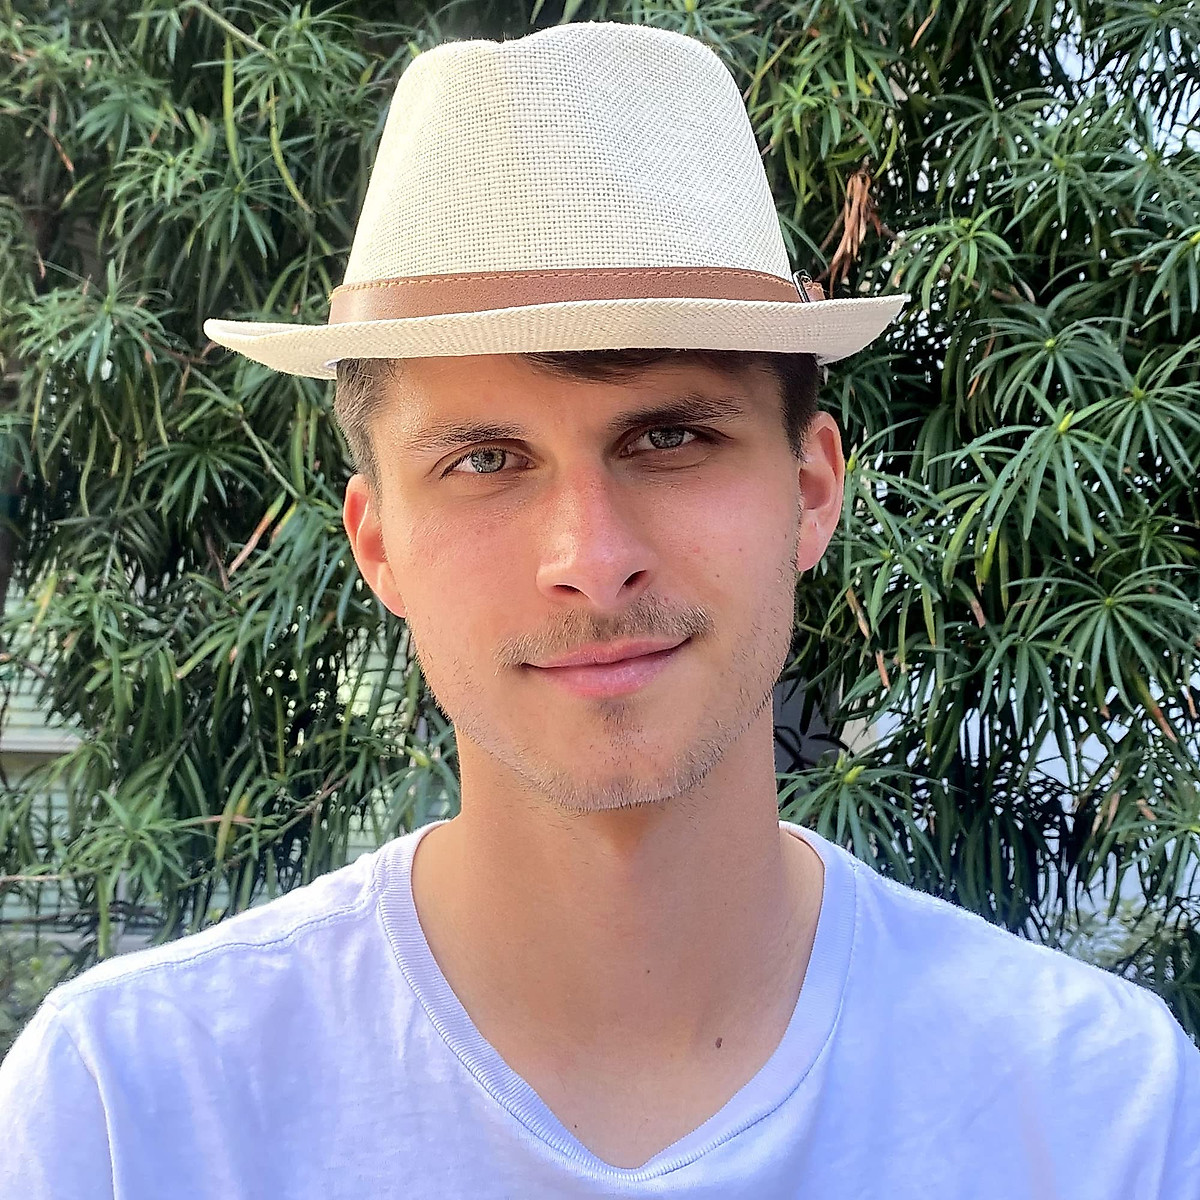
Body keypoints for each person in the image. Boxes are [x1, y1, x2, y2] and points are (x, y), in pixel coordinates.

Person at [1, 19, 1196, 1199]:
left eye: (669, 438)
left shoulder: (1095, 1112)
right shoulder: (130, 1112)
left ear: (811, 491)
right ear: (379, 545)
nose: (592, 558)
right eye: (484, 461)